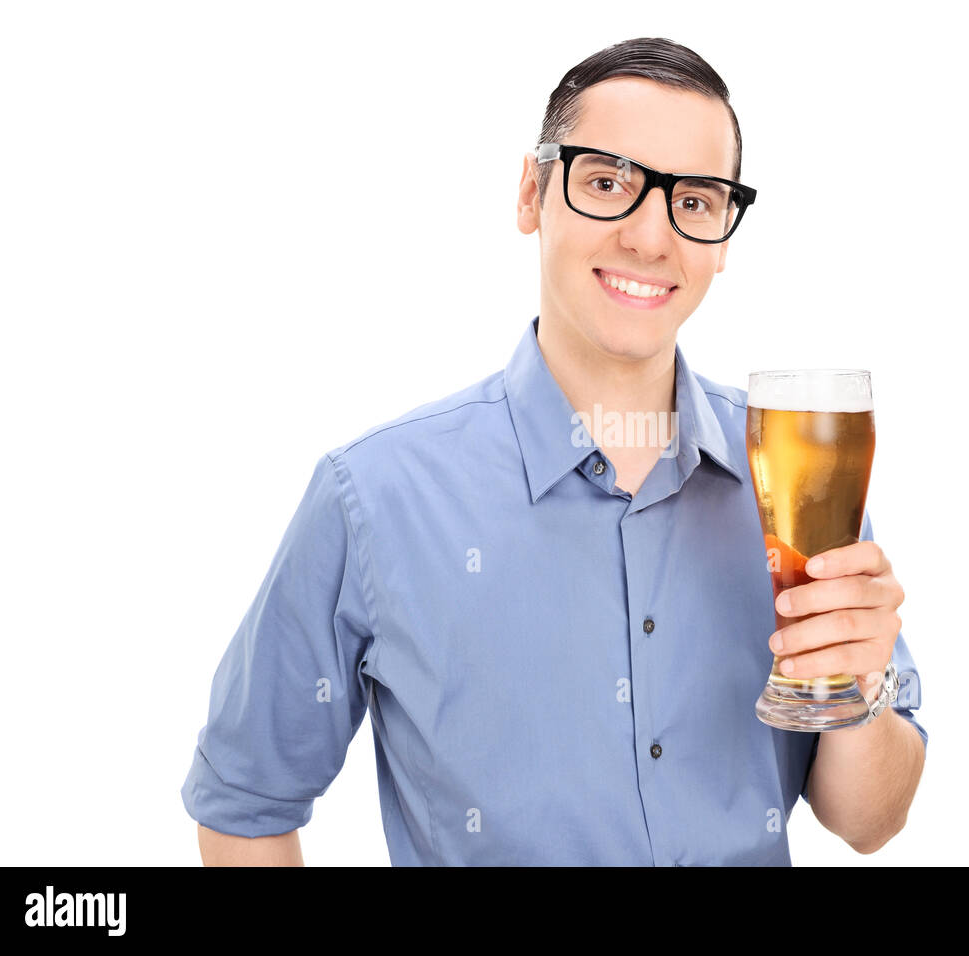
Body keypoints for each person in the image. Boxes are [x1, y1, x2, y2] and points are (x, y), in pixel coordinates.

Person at [181, 36, 926, 867]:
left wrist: (860, 685)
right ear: (533, 192)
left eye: (696, 201)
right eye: (608, 182)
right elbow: (245, 802)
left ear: (722, 235)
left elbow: (869, 822)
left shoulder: (794, 476)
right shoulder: (375, 497)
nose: (652, 238)